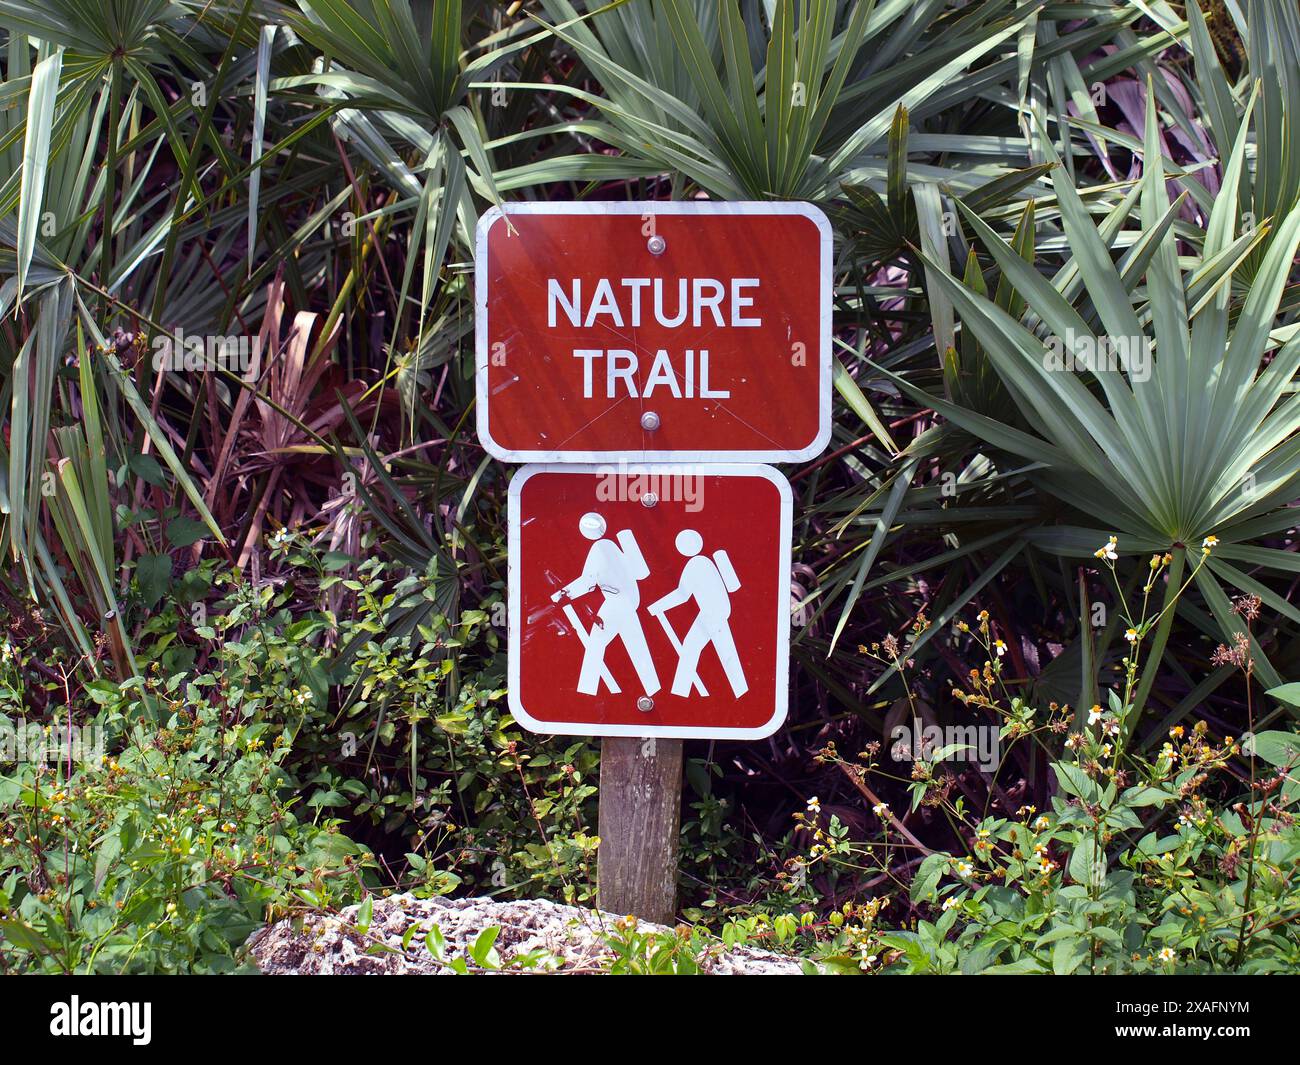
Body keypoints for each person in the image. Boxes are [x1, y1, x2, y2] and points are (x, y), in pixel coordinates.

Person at [551, 512, 660, 697]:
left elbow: (589, 580)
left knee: (596, 643)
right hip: (629, 601)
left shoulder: (600, 548)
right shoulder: (612, 546)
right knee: (635, 645)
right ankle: (654, 690)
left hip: (617, 602)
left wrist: (562, 595)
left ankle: (586, 692)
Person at [648, 529, 748, 699]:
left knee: (690, 646)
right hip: (719, 610)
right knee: (724, 649)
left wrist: (656, 607)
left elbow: (682, 594)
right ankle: (741, 692)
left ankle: (680, 694)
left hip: (712, 612)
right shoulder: (705, 561)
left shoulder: (696, 564)